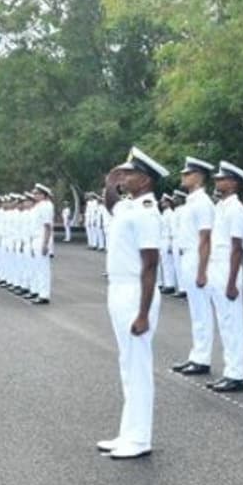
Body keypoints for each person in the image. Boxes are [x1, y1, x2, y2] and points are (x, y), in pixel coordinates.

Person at [95, 147, 165, 460]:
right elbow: (112, 206)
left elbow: (151, 264)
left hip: (137, 291)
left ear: (146, 179)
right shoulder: (129, 207)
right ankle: (128, 432)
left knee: (138, 366)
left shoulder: (148, 211)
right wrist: (110, 182)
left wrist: (144, 313)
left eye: (131, 173)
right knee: (127, 363)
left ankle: (139, 439)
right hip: (119, 288)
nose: (126, 177)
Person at [204, 161, 243, 394]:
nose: (217, 182)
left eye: (222, 179)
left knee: (233, 323)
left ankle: (237, 374)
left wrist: (232, 282)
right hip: (217, 266)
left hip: (227, 269)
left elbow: (237, 247)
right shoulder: (221, 206)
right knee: (224, 321)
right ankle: (230, 370)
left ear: (232, 183)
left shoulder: (235, 209)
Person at [171, 159, 218, 376]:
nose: (183, 176)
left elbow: (205, 238)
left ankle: (202, 358)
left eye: (187, 173)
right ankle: (196, 354)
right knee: (195, 311)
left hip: (196, 258)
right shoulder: (192, 201)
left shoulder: (202, 202)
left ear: (199, 176)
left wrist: (202, 270)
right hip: (187, 256)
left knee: (202, 311)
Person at [29, 184, 55, 304]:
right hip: (35, 238)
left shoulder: (46, 206)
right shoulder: (38, 206)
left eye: (37, 193)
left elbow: (47, 226)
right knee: (37, 267)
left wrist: (45, 244)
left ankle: (44, 295)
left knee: (43, 268)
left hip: (41, 239)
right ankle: (39, 291)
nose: (34, 195)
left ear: (43, 195)